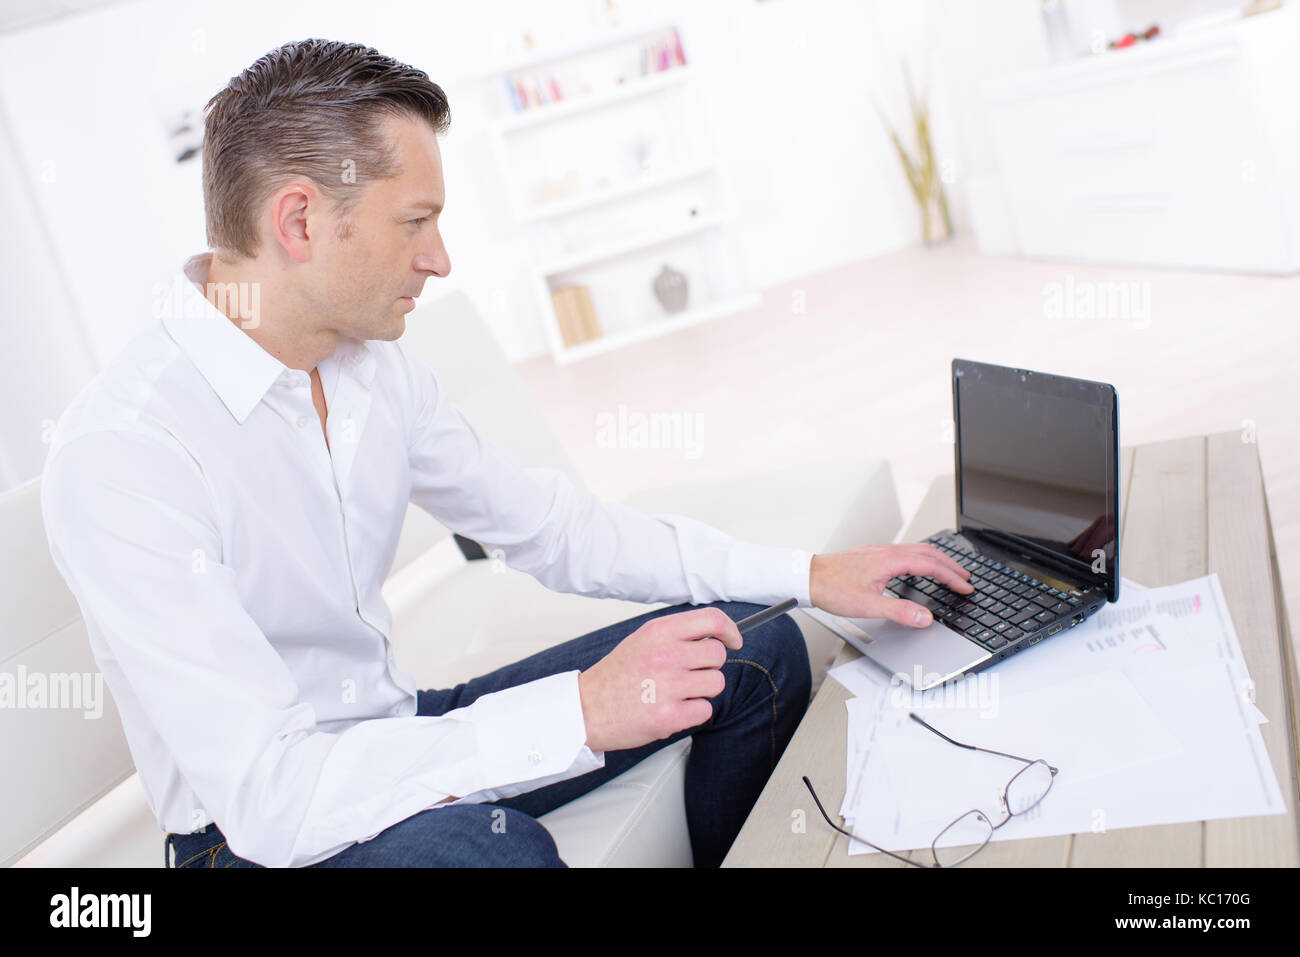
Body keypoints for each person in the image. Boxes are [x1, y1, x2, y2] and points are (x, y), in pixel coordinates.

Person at [41, 39, 973, 869]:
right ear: (299, 223)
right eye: (416, 221)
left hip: (395, 730)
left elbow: (557, 532)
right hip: (248, 834)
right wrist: (577, 712)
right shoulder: (126, 452)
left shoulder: (371, 371)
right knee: (492, 856)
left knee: (752, 648)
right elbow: (274, 796)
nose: (439, 259)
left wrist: (809, 572)